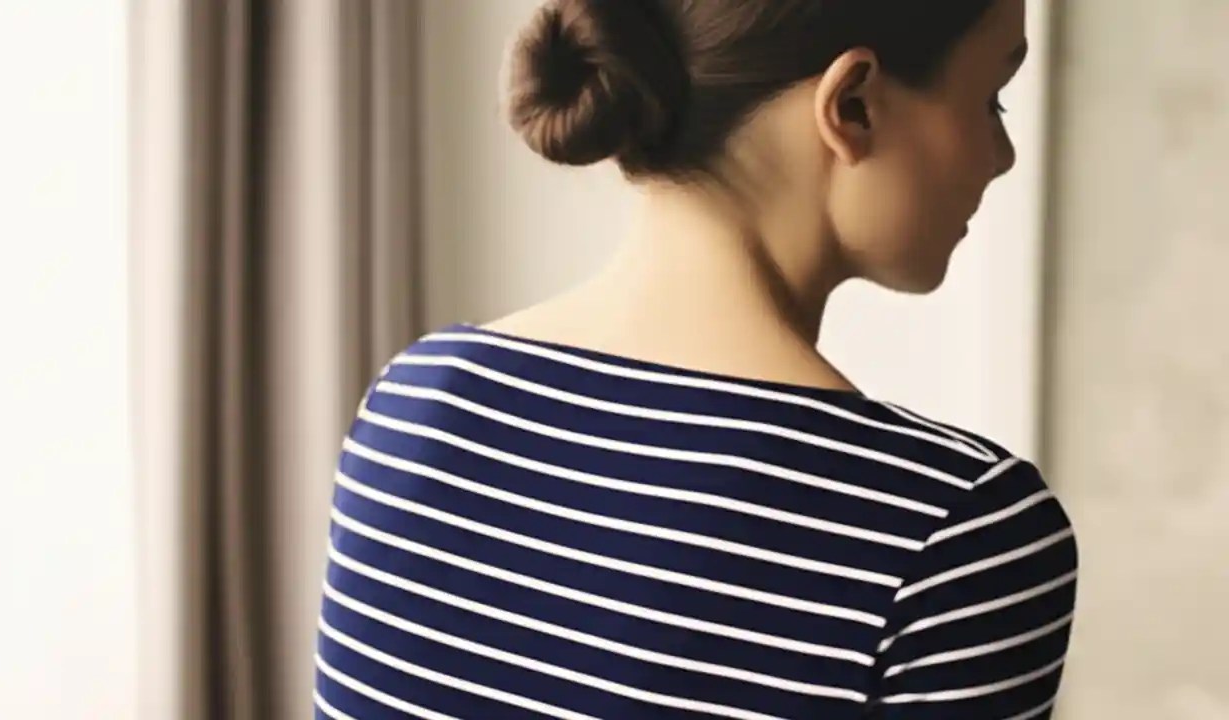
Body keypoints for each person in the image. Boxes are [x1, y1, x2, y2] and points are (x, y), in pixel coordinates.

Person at [313, 0, 1078, 717]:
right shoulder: (956, 537)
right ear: (853, 104)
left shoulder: (418, 403)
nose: (1002, 156)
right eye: (991, 100)